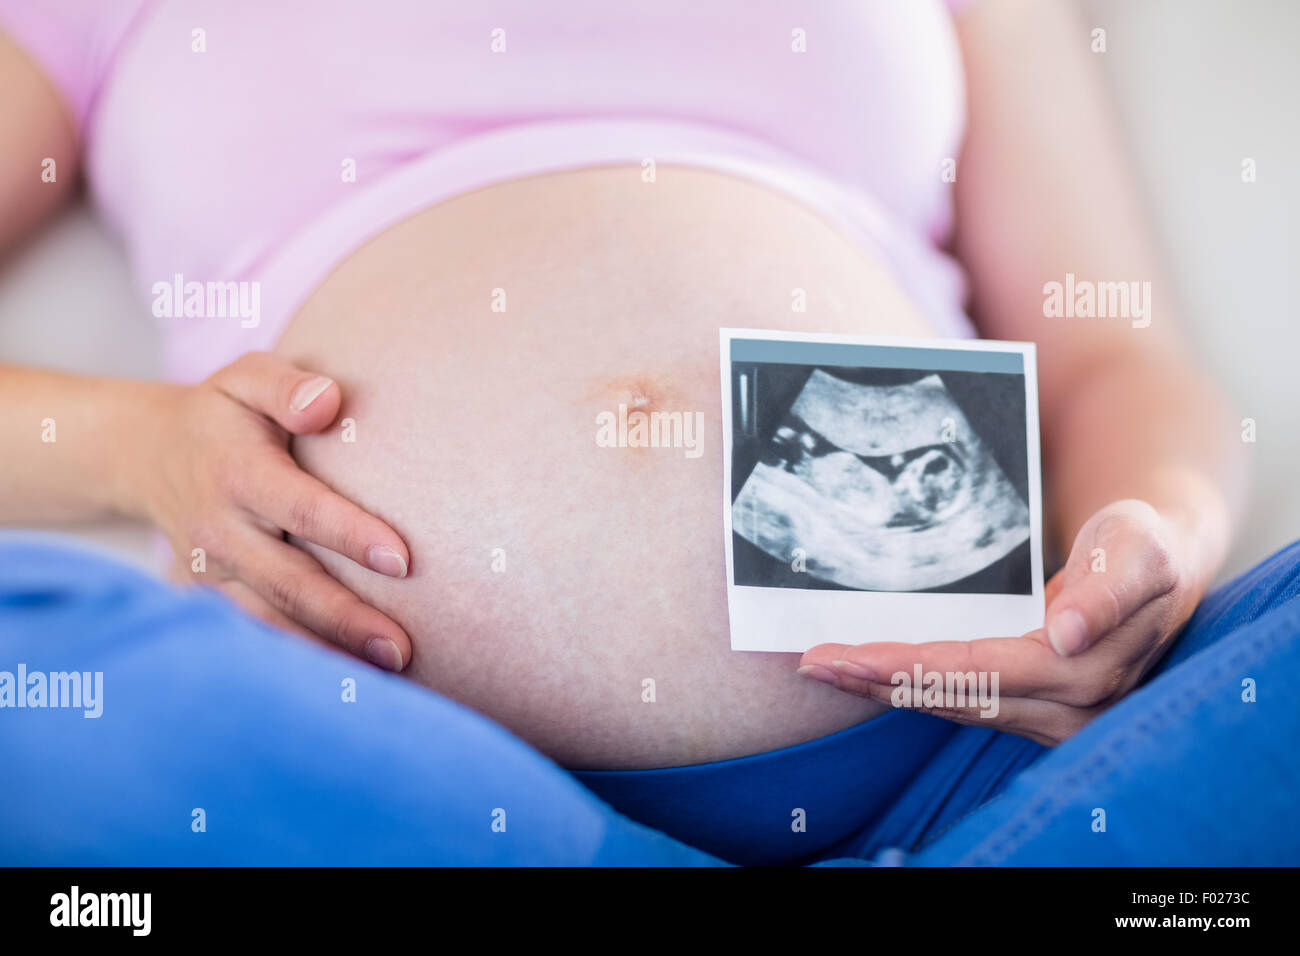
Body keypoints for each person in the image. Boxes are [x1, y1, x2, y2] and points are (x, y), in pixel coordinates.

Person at [0, 1, 1270, 861]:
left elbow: (1115, 357)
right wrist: (142, 448)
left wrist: (1148, 543)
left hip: (975, 764)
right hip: (396, 766)